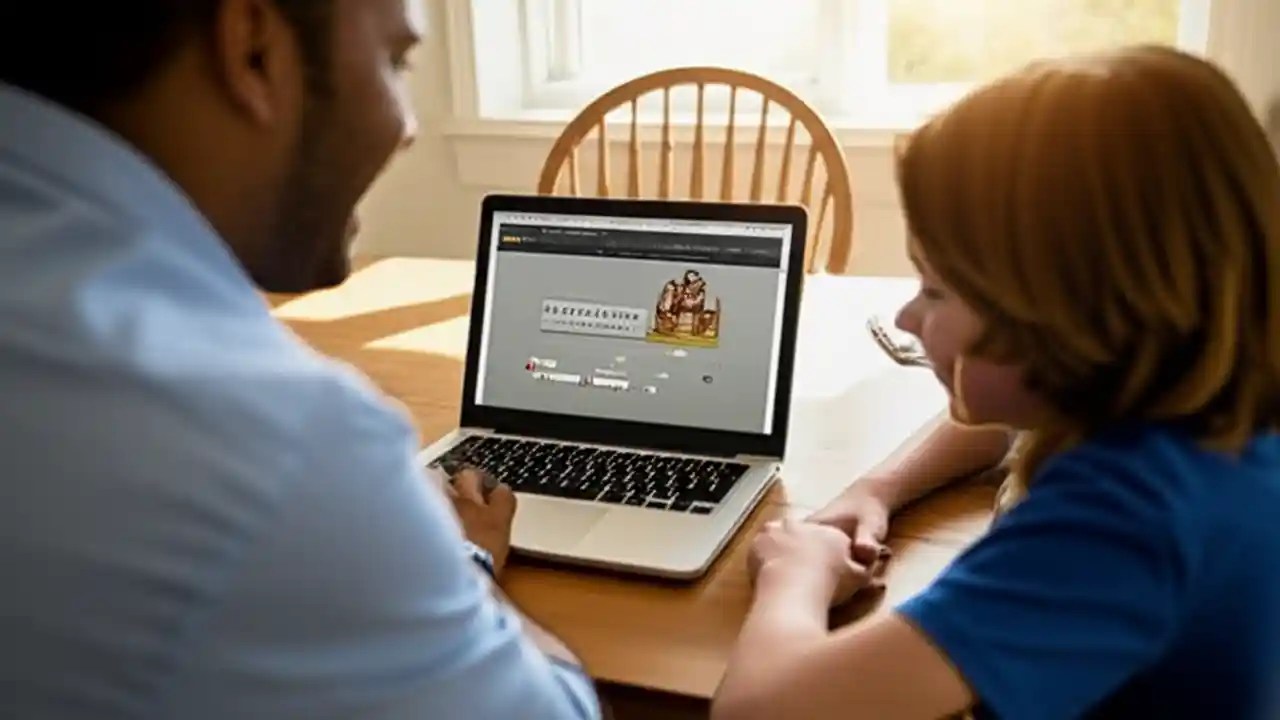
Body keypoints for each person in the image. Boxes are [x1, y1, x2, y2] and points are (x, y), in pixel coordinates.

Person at [0, 1, 599, 718]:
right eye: (395, 61)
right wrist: (459, 561)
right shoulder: (281, 444)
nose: (409, 129)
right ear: (253, 50)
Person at [712, 44, 1280, 720]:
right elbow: (1008, 417)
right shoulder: (1209, 414)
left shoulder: (1122, 517)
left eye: (936, 289)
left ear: (1062, 312)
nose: (905, 316)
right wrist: (878, 488)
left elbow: (762, 711)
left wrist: (795, 573)